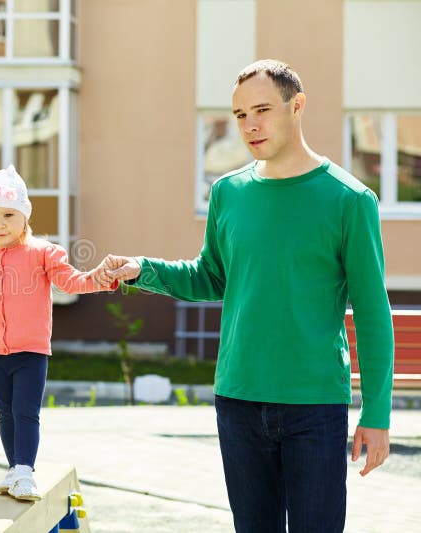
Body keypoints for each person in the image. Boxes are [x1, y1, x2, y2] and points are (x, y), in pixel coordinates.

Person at [96, 59, 394, 532]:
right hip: (238, 401)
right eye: (239, 115)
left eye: (262, 110)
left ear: (297, 106)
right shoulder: (228, 193)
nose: (250, 125)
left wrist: (376, 414)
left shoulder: (350, 200)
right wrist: (142, 270)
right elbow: (211, 276)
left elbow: (374, 316)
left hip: (314, 405)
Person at [0, 165, 116, 501]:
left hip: (31, 351)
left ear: (24, 214)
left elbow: (71, 282)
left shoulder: (43, 252)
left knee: (25, 411)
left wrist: (100, 278)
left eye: (8, 214)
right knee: (5, 412)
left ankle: (25, 471)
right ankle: (13, 469)